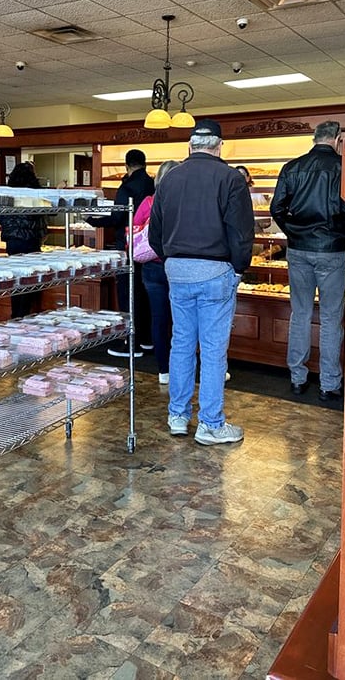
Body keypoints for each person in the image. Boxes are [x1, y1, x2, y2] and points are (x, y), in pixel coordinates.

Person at [150, 120, 254, 445]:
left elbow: (155, 235)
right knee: (212, 350)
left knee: (181, 343)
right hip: (215, 272)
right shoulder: (231, 179)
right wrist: (238, 269)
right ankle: (210, 423)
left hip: (177, 272)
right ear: (219, 146)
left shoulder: (170, 179)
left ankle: (178, 416)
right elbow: (241, 233)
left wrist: (172, 259)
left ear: (190, 146)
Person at [269, 121, 345, 402]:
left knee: (300, 314)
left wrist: (294, 232)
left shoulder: (293, 167)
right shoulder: (344, 167)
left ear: (314, 138)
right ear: (338, 139)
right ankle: (330, 383)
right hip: (333, 249)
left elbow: (276, 207)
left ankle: (297, 378)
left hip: (299, 250)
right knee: (330, 318)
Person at [91, 149, 155, 357]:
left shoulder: (127, 187)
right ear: (144, 164)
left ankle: (131, 343)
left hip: (128, 246)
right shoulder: (152, 184)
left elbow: (118, 218)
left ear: (127, 166)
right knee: (143, 293)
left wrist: (93, 220)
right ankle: (146, 339)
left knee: (128, 294)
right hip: (149, 247)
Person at [133, 160, 180, 384]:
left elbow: (133, 229)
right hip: (179, 266)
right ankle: (184, 366)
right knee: (183, 320)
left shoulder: (148, 202)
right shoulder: (184, 203)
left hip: (151, 266)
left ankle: (163, 369)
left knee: (159, 318)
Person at [0, 162, 49, 319]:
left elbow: (1, 217)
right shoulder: (35, 194)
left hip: (12, 242)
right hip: (30, 241)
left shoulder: (8, 194)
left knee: (16, 279)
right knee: (29, 279)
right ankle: (25, 314)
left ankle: (16, 314)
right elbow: (45, 213)